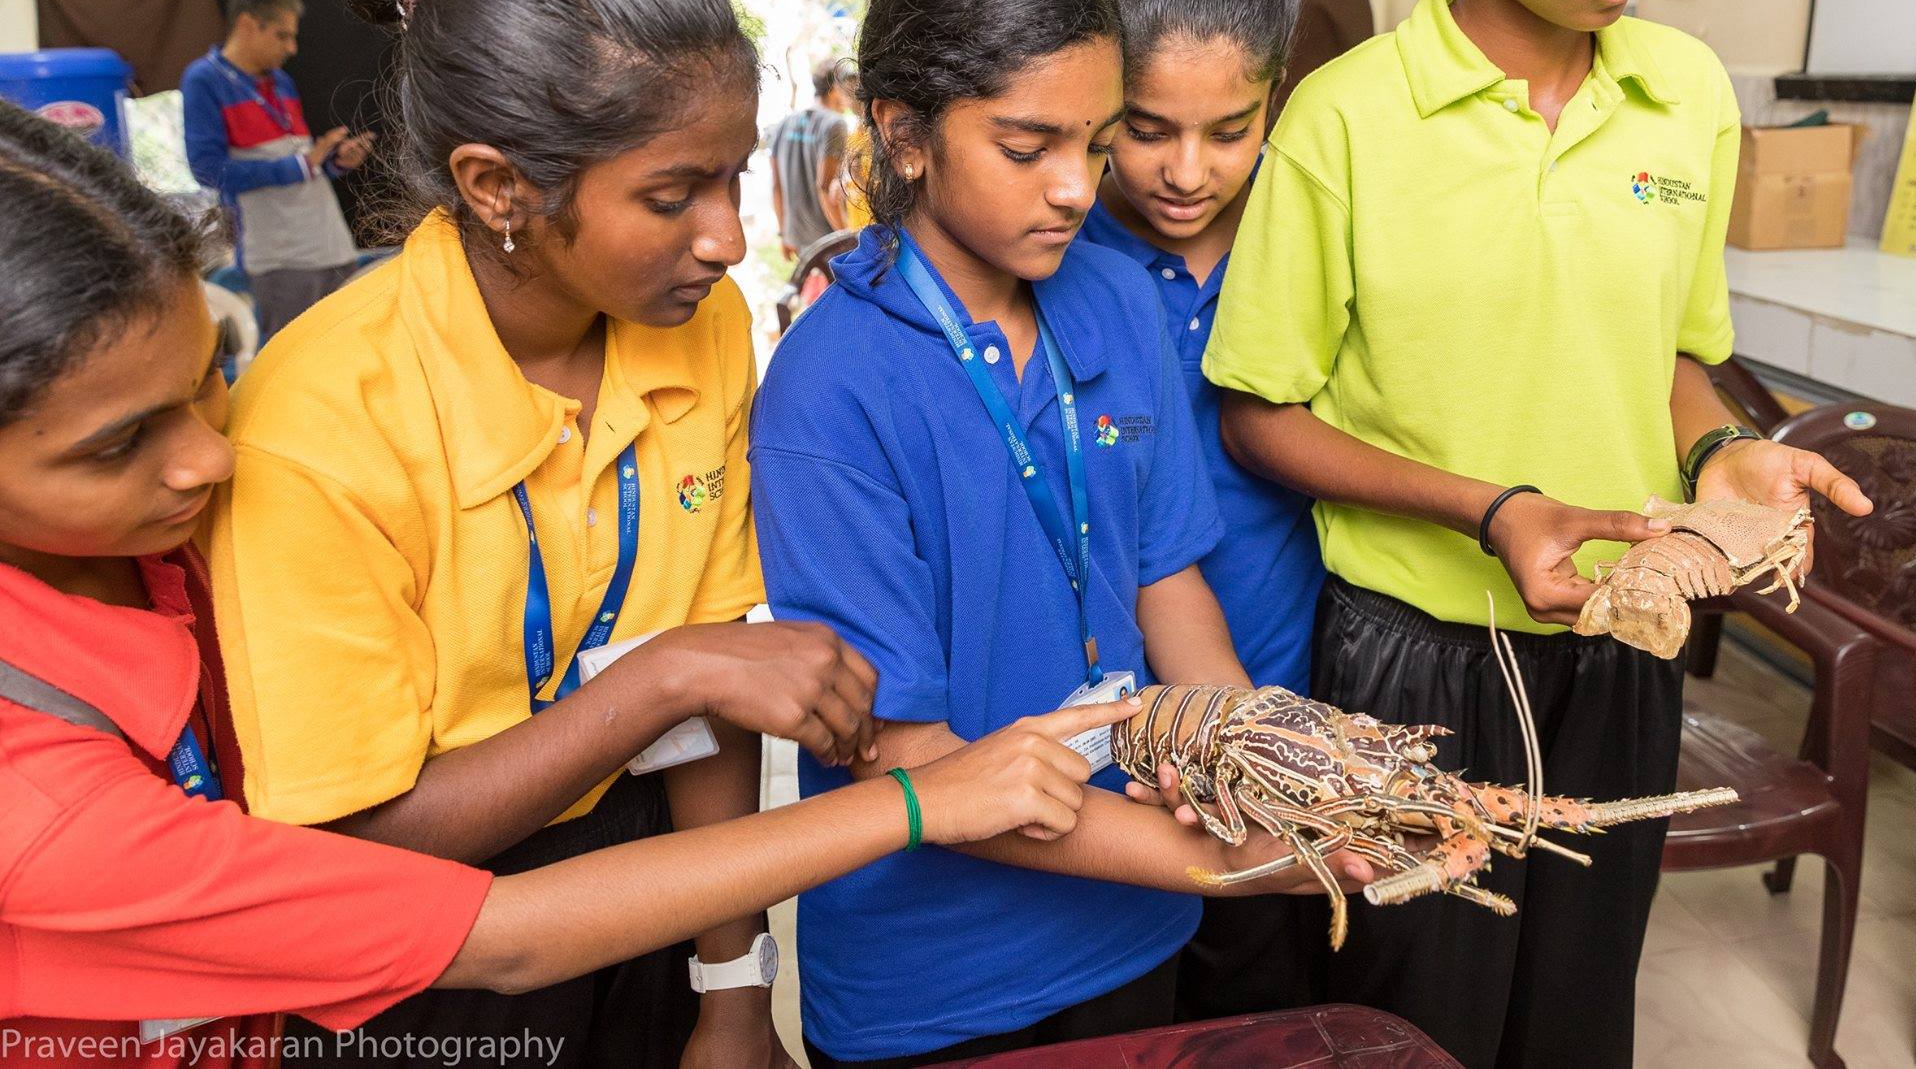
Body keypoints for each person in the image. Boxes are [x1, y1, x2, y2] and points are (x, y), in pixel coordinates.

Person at [0, 96, 1132, 1069]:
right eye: (117, 444)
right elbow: (498, 936)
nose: (215, 453)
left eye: (210, 381)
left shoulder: (157, 553)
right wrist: (913, 798)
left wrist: (729, 982)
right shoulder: (41, 796)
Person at [1202, 0, 1873, 1064]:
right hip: (1413, 652)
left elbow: (1677, 356)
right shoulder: (1344, 121)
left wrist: (1722, 458)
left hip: (1624, 646)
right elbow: (1258, 409)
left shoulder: (1684, 96)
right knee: (1415, 1010)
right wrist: (1492, 505)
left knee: (1578, 1002)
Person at [199, 0, 837, 1069]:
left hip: (651, 880)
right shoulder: (318, 418)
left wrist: (733, 991)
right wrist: (664, 679)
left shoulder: (693, 323)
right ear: (498, 187)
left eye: (732, 174)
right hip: (416, 956)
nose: (728, 238)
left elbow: (713, 705)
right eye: (670, 193)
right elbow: (364, 835)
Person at [749, 0, 1373, 1068]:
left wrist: (1266, 762)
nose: (1077, 189)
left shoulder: (1111, 300)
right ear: (904, 133)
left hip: (1134, 927)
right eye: (1027, 147)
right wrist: (1232, 860)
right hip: (935, 971)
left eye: (1093, 144)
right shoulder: (830, 387)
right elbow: (902, 751)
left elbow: (1164, 575)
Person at [1077, 0, 1326, 1021]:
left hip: (1278, 700)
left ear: (1275, 92)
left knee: (1260, 1009)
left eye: (1229, 129)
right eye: (1143, 126)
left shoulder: (1309, 245)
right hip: (1103, 734)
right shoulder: (1057, 258)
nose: (1185, 170)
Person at [179, 0, 371, 339]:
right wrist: (300, 165)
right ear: (248, 25)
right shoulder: (205, 79)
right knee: (293, 363)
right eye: (282, 36)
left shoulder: (281, 81)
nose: (292, 48)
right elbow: (207, 170)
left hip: (330, 245)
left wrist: (332, 163)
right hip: (281, 259)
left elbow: (299, 164)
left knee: (345, 353)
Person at [770, 58, 855, 258]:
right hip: (829, 242)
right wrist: (849, 241)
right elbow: (825, 185)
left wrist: (783, 233)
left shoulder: (784, 124)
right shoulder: (835, 124)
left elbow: (776, 185)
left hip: (799, 239)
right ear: (835, 89)